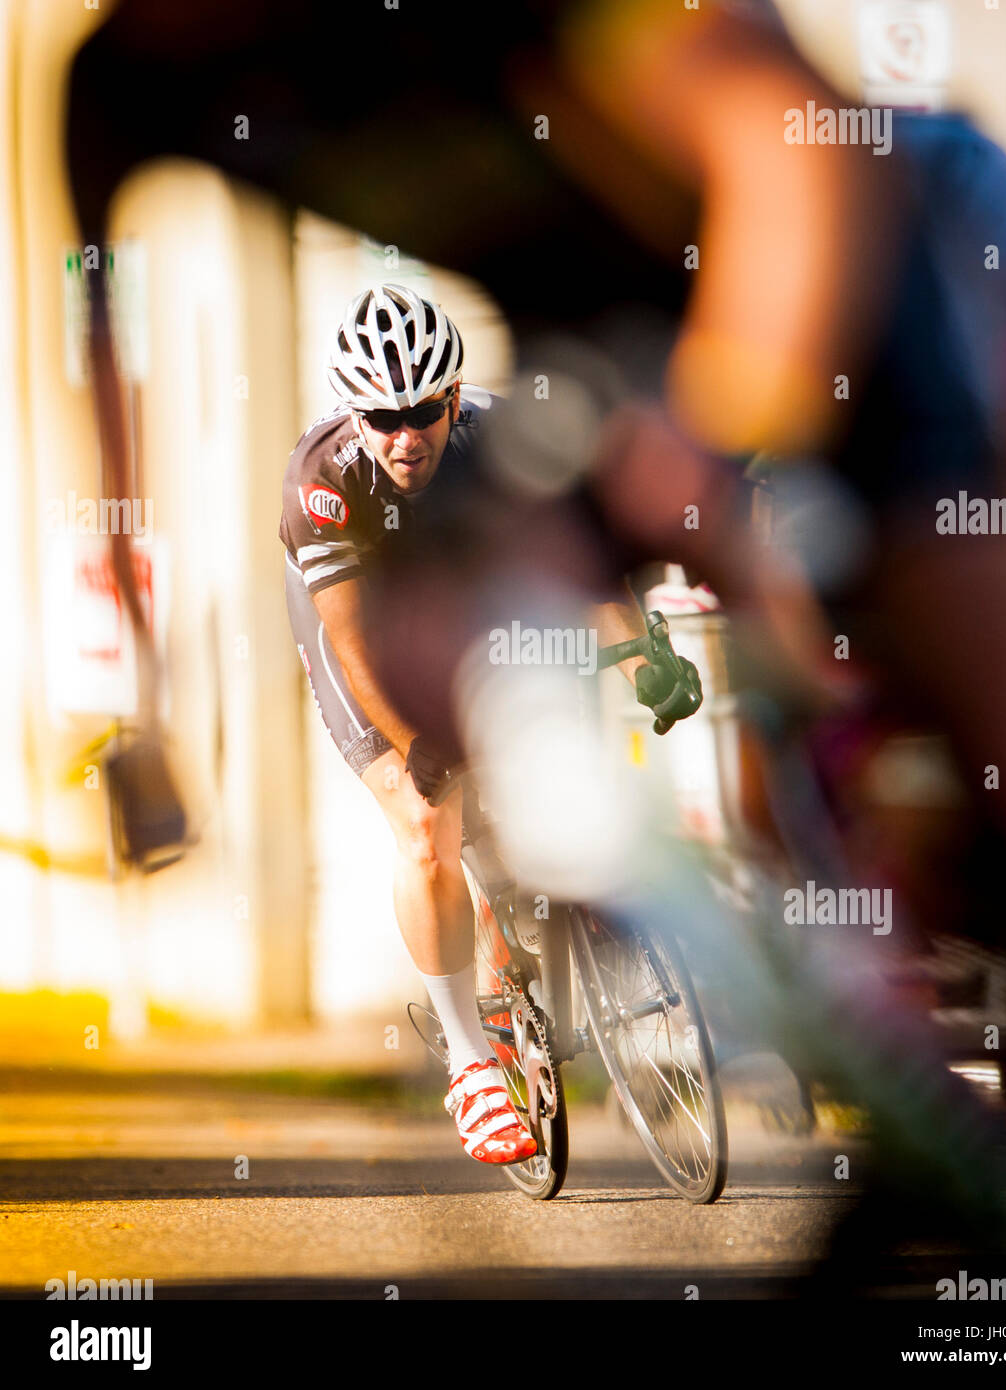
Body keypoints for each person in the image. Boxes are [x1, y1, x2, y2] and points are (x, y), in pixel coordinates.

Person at [279, 283, 701, 1166]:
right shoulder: (324, 482)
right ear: (353, 415)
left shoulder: (506, 441)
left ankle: (540, 920)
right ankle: (471, 1065)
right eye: (383, 415)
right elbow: (356, 646)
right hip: (362, 617)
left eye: (424, 411)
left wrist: (643, 657)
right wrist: (419, 748)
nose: (405, 435)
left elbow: (577, 578)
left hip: (461, 592)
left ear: (457, 400)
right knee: (428, 820)